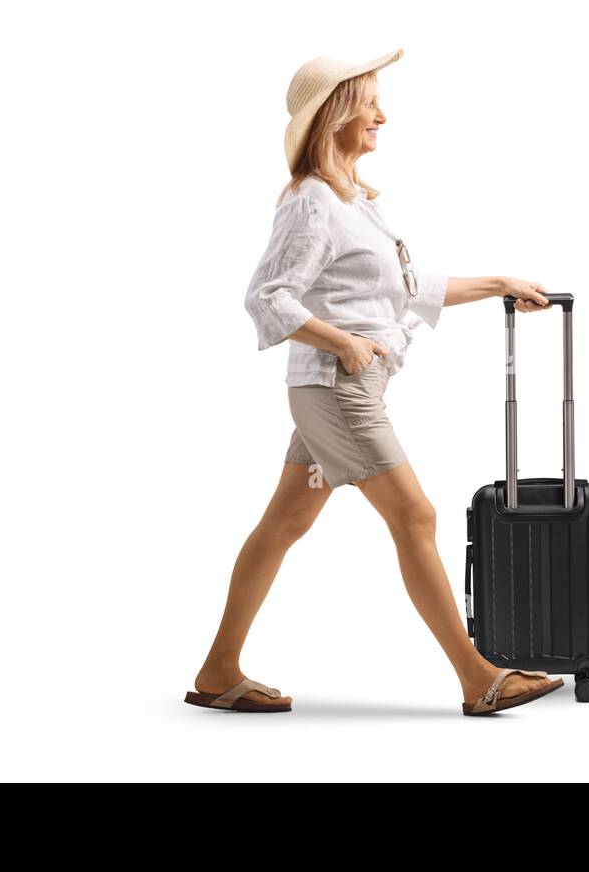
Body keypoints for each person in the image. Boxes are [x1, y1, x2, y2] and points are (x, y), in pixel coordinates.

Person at [184, 49, 564, 717]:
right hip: (338, 390)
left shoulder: (352, 203)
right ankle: (480, 679)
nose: (382, 115)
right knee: (414, 515)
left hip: (337, 390)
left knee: (282, 524)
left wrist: (502, 282)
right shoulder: (312, 204)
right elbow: (268, 297)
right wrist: (342, 343)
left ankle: (218, 671)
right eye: (369, 104)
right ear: (335, 115)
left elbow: (409, 290)